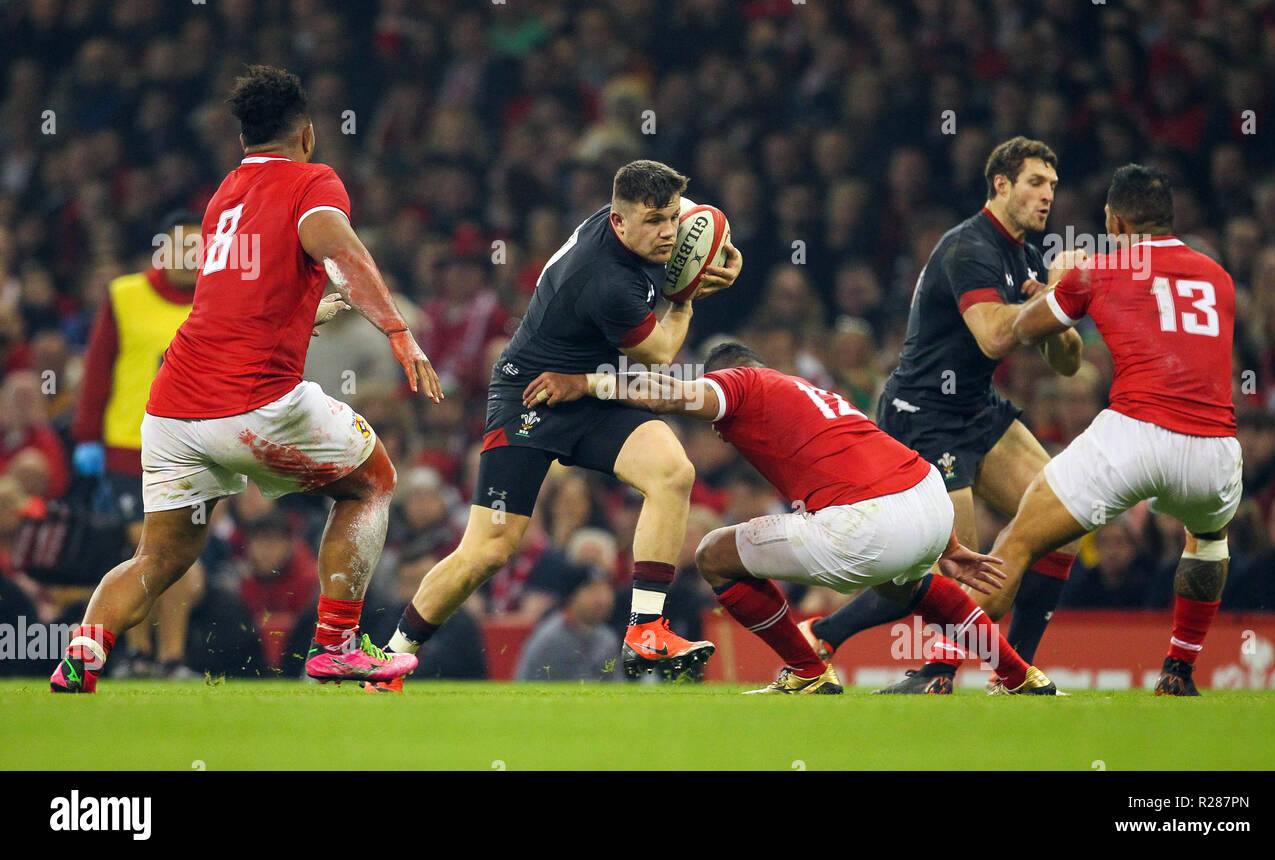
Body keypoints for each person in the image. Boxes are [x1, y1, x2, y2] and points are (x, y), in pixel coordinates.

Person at [50, 65, 440, 692]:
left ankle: (81, 655)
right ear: (308, 135)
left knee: (161, 555)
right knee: (371, 484)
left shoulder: (226, 194)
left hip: (173, 407)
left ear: (241, 141)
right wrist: (396, 328)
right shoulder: (312, 180)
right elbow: (335, 241)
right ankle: (336, 645)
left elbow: (245, 296)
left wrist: (302, 318)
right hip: (255, 402)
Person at [524, 342, 1059, 695]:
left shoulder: (744, 385)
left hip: (872, 521)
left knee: (714, 555)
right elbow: (872, 460)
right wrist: (942, 541)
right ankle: (1020, 675)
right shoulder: (813, 395)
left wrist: (589, 383)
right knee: (904, 587)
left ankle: (806, 670)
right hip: (926, 498)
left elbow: (675, 394)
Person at [384, 160, 741, 683]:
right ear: (618, 223)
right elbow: (661, 352)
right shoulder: (606, 279)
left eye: (671, 218)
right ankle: (392, 654)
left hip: (589, 387)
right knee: (489, 550)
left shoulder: (649, 221)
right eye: (653, 222)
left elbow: (709, 227)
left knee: (673, 473)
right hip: (531, 395)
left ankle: (646, 629)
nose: (668, 232)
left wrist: (726, 257)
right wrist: (685, 299)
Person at [800, 136, 1086, 694]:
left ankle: (1015, 675)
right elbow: (993, 336)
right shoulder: (970, 247)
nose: (1047, 195)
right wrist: (1044, 301)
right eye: (1035, 182)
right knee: (960, 568)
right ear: (1001, 184)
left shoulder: (1026, 256)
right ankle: (862, 645)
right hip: (926, 413)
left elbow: (1068, 361)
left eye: (1053, 185)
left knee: (1065, 525)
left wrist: (1057, 304)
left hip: (977, 409)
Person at [996, 163, 1241, 695]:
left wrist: (1057, 284)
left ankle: (944, 669)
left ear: (1114, 220)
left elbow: (1024, 329)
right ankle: (1178, 669)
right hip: (1215, 448)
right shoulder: (1218, 277)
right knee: (1207, 541)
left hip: (1136, 432)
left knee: (1017, 542)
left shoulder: (1101, 270)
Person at [70, 210, 207, 678]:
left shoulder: (219, 299)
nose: (189, 258)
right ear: (162, 251)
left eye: (197, 248)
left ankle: (169, 657)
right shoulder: (125, 295)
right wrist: (87, 436)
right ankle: (140, 654)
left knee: (178, 556)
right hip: (131, 444)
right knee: (145, 549)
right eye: (180, 248)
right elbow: (98, 368)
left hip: (195, 445)